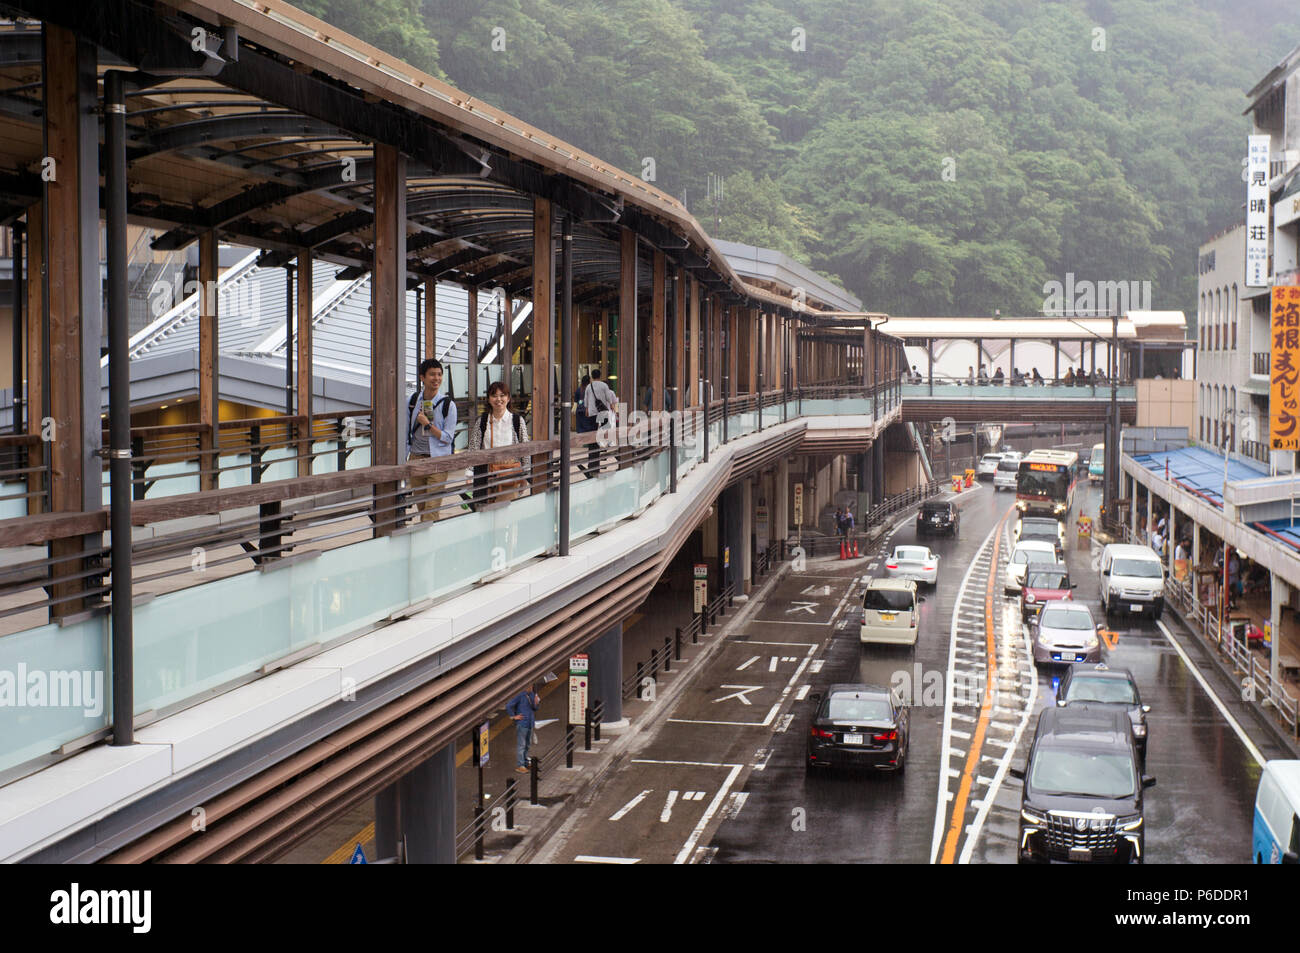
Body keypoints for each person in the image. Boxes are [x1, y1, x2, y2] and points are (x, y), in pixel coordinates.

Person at [405, 358, 458, 522]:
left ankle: (429, 546)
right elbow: (406, 432)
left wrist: (428, 425)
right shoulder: (413, 401)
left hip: (438, 460)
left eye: (439, 374)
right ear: (422, 377)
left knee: (431, 509)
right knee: (422, 506)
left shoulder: (448, 405)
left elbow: (448, 438)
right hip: (415, 459)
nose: (437, 378)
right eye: (432, 375)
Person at [468, 380, 530, 504]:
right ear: (489, 399)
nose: (498, 399)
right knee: (486, 514)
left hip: (509, 474)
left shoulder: (517, 420)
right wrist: (469, 473)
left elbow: (525, 449)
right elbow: (473, 449)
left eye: (502, 395)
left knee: (505, 514)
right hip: (486, 474)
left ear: (508, 398)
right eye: (494, 396)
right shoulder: (482, 421)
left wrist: (526, 475)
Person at [583, 369, 618, 476]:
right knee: (603, 433)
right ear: (600, 375)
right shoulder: (604, 386)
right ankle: (602, 449)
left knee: (593, 436)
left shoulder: (589, 386)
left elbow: (585, 401)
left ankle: (592, 464)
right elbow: (608, 398)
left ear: (592, 377)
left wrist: (587, 409)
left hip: (593, 413)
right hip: (602, 412)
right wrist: (612, 405)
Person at [506, 684, 541, 774]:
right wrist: (514, 717)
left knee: (527, 744)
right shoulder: (520, 695)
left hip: (530, 722)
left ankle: (525, 762)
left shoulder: (532, 694)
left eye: (532, 685)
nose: (531, 687)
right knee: (521, 745)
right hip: (522, 723)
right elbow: (509, 705)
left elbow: (534, 708)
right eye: (530, 685)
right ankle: (520, 765)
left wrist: (536, 703)